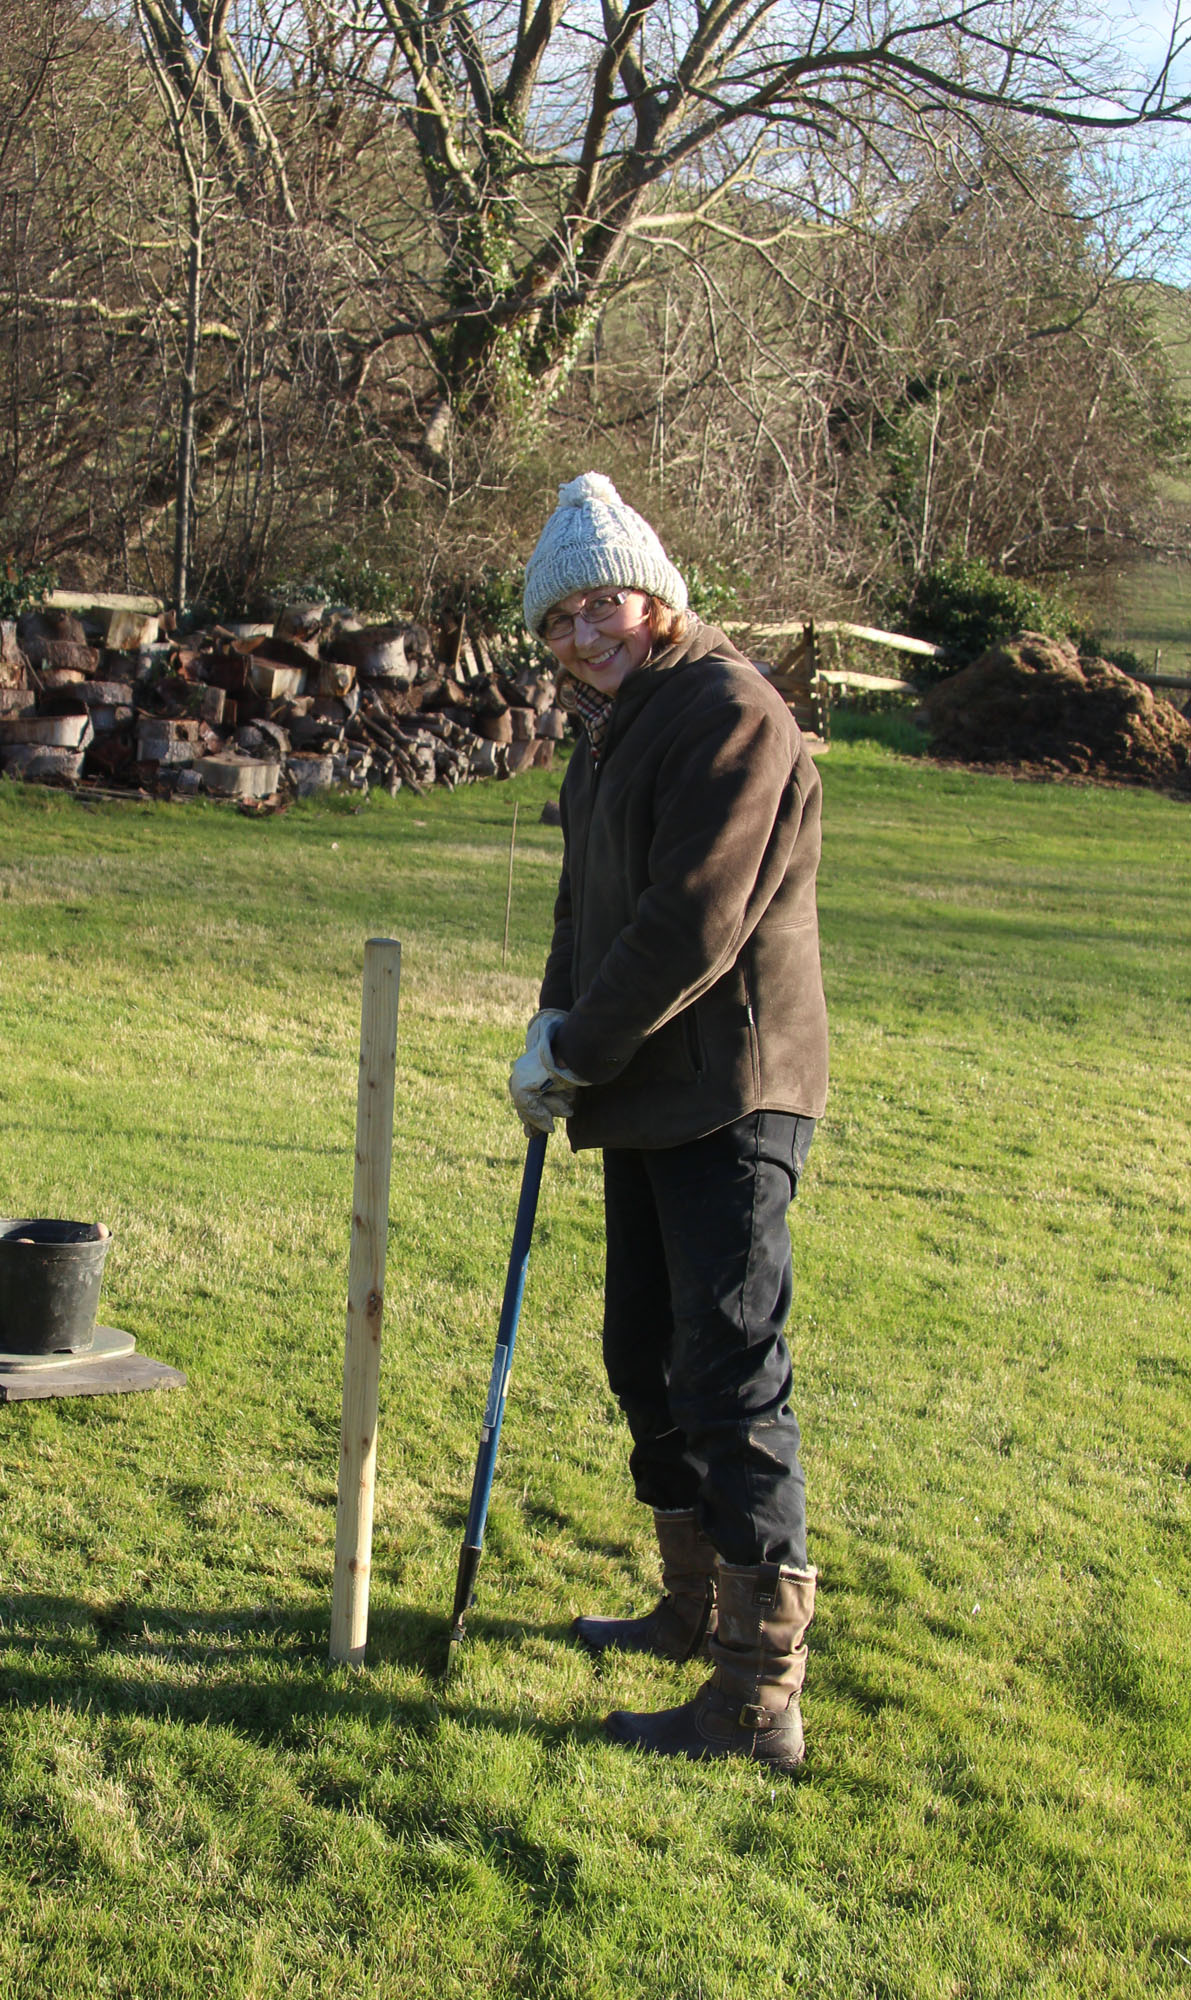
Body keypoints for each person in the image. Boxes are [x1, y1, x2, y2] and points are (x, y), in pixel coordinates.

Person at [507, 473, 828, 1770]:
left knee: (728, 1375)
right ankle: (691, 1610)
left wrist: (583, 1043)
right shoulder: (616, 727)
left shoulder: (729, 713)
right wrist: (551, 1038)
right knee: (645, 1356)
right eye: (558, 623)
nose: (582, 636)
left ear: (656, 596)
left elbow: (693, 918)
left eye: (600, 605)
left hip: (733, 1092)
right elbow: (589, 920)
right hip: (647, 1091)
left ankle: (758, 1696)